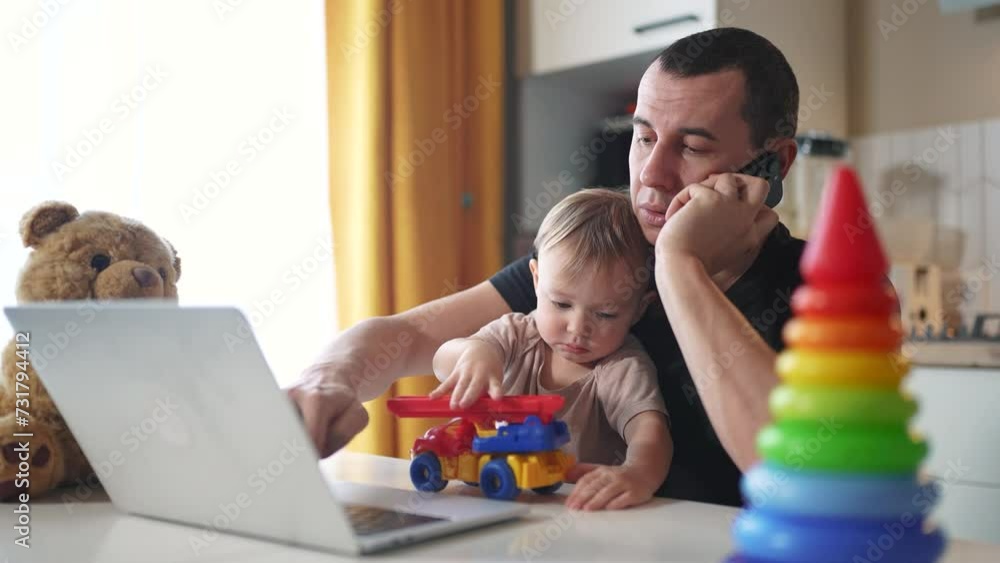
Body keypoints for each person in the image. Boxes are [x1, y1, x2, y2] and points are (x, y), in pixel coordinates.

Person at [287, 27, 806, 507]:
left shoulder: (818, 286)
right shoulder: (603, 255)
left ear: (772, 165)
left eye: (692, 147)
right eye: (643, 136)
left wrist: (677, 261)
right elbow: (406, 334)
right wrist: (328, 380)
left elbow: (796, 477)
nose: (651, 175)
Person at [429, 188, 671, 511]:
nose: (577, 328)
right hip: (499, 502)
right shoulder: (514, 335)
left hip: (580, 515)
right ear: (535, 280)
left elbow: (651, 433)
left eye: (605, 314)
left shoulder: (621, 366)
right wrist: (475, 353)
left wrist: (638, 474)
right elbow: (441, 360)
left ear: (639, 309)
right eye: (561, 303)